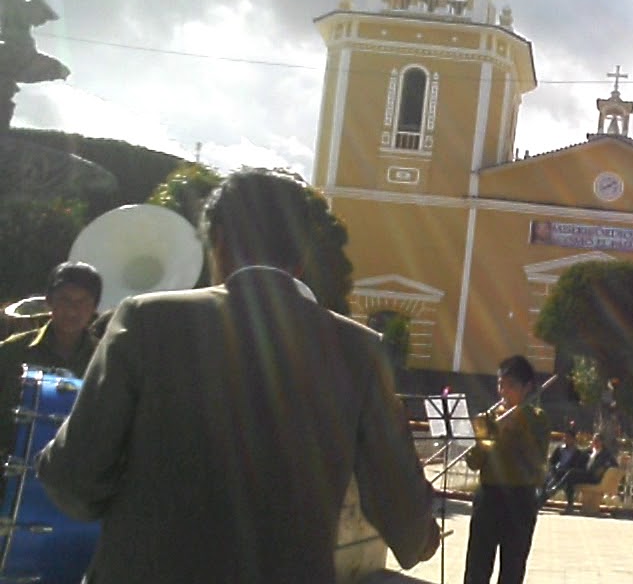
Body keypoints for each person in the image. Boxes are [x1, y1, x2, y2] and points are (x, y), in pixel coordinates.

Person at [36, 169, 440, 583]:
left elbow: (71, 478)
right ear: (300, 259)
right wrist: (423, 538)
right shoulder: (359, 350)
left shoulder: (145, 320)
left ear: (220, 242)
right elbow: (406, 521)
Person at [463, 354, 551, 584]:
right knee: (477, 565)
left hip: (520, 498)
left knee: (512, 567)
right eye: (500, 383)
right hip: (488, 496)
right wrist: (483, 436)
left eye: (510, 385)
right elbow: (474, 462)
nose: (503, 391)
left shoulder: (537, 420)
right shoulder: (489, 417)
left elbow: (537, 463)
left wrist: (518, 429)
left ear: (527, 388)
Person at [0, 261, 102, 458]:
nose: (73, 311)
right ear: (49, 301)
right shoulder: (11, 351)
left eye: (82, 302)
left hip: (75, 477)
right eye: (65, 300)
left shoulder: (107, 359)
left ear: (94, 307)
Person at [555, 432, 619, 514]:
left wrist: (604, 468)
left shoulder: (606, 454)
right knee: (568, 478)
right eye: (593, 440)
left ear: (602, 442)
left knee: (571, 474)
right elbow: (579, 460)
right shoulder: (589, 451)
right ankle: (570, 506)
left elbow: (614, 465)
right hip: (585, 474)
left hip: (594, 477)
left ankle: (558, 486)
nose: (595, 442)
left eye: (597, 441)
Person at [538, 426, 586, 505]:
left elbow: (577, 467)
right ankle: (541, 499)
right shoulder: (559, 449)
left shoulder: (578, 453)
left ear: (573, 439)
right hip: (557, 471)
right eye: (565, 437)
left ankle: (541, 501)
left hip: (567, 473)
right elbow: (552, 461)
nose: (565, 439)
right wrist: (553, 468)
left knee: (559, 481)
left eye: (568, 437)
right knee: (547, 479)